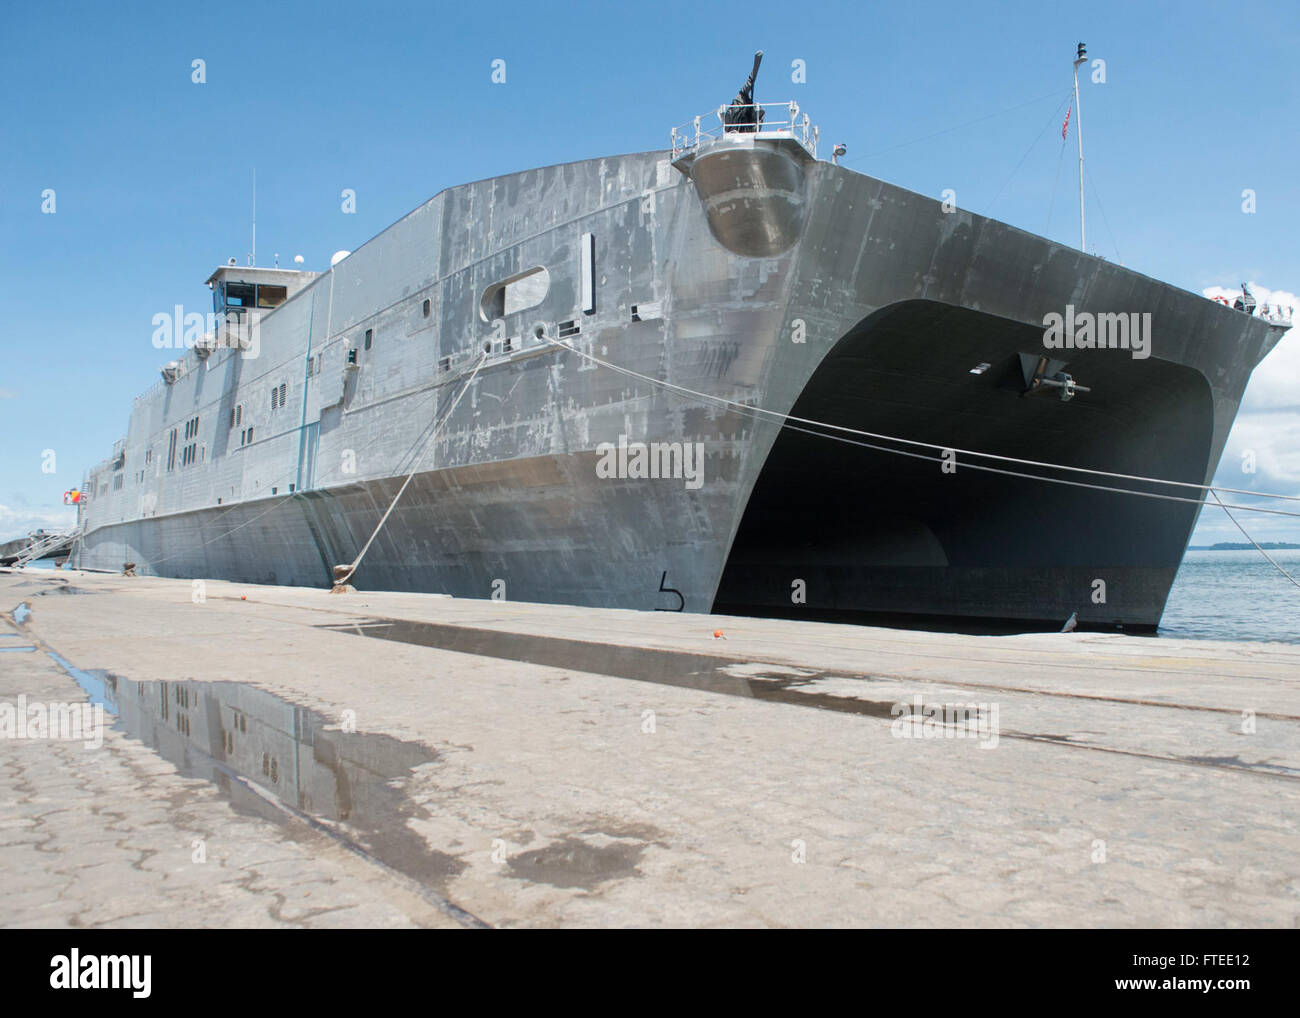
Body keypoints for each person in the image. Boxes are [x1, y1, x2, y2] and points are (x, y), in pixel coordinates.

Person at [723, 51, 764, 133]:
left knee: (759, 110)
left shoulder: (749, 108)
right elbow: (750, 80)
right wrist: (757, 61)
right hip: (736, 124)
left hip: (745, 126)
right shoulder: (741, 96)